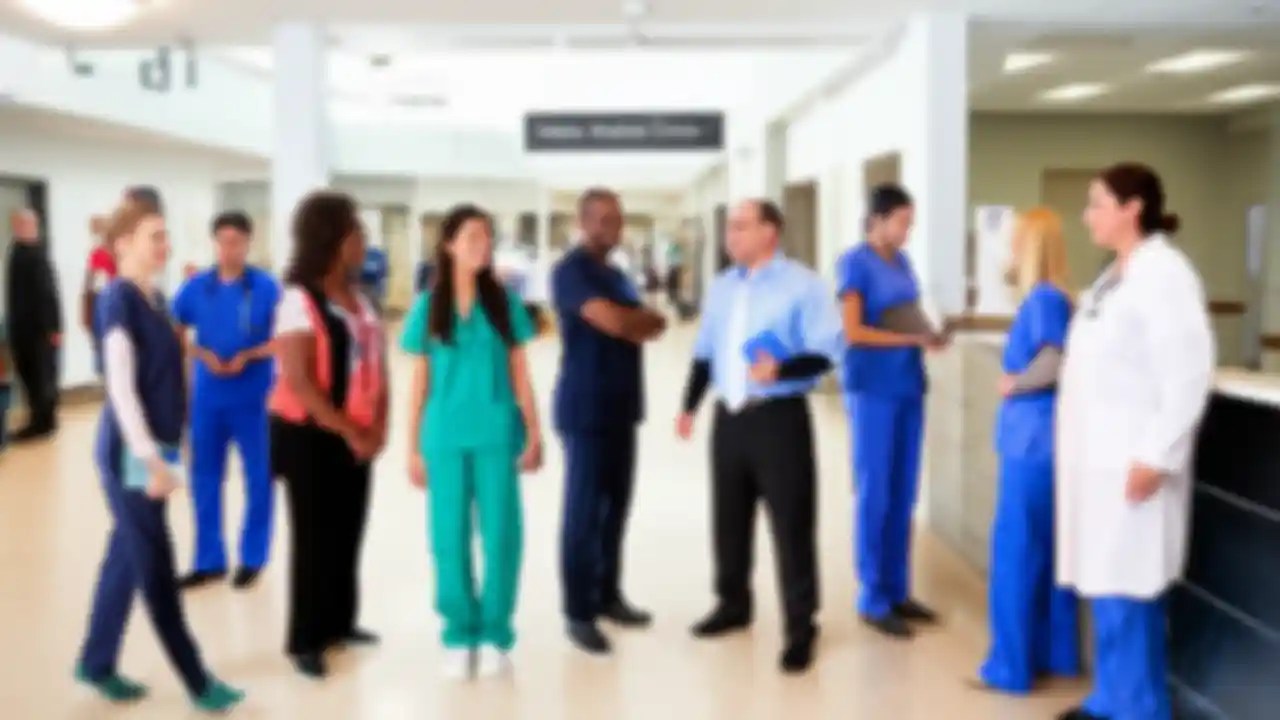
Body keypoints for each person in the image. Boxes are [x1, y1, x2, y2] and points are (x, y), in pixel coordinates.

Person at [1055, 164, 1214, 720]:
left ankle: (1139, 709)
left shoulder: (1165, 274)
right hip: (1099, 464)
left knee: (1130, 592)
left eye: (1097, 203)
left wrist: (1157, 455)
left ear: (1133, 207)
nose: (1087, 215)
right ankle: (1109, 701)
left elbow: (1189, 373)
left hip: (1133, 465)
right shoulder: (1114, 276)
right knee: (1107, 587)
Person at [74, 200, 244, 713]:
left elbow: (166, 381)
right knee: (156, 565)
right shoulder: (118, 302)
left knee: (125, 559)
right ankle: (198, 682)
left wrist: (178, 447)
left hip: (158, 448)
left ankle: (95, 662)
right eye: (155, 236)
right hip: (132, 454)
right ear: (123, 243)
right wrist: (150, 460)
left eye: (166, 236)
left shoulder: (156, 298)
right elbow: (121, 392)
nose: (165, 245)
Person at [676, 199, 841, 674]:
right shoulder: (723, 287)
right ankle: (732, 604)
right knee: (728, 519)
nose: (732, 236)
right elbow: (706, 351)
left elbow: (828, 351)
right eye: (730, 228)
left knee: (790, 524)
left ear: (771, 231)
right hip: (729, 418)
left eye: (742, 227)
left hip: (779, 417)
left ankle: (800, 626)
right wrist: (689, 405)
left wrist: (783, 368)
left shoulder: (804, 285)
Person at [402, 204, 543, 680]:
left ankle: (495, 632)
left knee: (503, 536)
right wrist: (411, 446)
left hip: (497, 433)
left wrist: (535, 431)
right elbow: (418, 380)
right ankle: (460, 634)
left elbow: (521, 373)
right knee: (449, 539)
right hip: (442, 436)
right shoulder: (429, 305)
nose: (481, 244)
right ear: (448, 245)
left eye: (486, 236)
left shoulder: (505, 303)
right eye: (471, 236)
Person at [269, 191, 387, 679]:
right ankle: (305, 638)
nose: (364, 239)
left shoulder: (361, 301)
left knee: (348, 532)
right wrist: (351, 431)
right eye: (356, 229)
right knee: (314, 537)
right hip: (309, 437)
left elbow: (379, 369)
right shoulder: (298, 301)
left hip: (355, 435)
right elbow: (300, 381)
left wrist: (380, 427)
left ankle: (340, 622)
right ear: (333, 239)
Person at [552, 188, 666, 655]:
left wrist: (634, 319)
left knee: (616, 509)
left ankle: (608, 594)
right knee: (583, 514)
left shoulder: (618, 275)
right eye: (601, 219)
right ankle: (579, 612)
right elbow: (621, 325)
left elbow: (655, 324)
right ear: (583, 222)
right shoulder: (570, 271)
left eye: (616, 220)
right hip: (586, 410)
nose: (610, 228)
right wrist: (634, 320)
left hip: (623, 408)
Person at [976, 207, 1081, 694]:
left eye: (1016, 240)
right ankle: (1053, 654)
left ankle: (1011, 667)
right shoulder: (1059, 297)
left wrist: (1015, 383)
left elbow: (1054, 359)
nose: (1009, 249)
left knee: (1017, 554)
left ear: (1031, 245)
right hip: (1047, 442)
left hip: (1031, 444)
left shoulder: (1041, 299)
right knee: (1043, 552)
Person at [837, 184, 946, 639]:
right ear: (877, 219)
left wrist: (930, 335)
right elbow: (854, 331)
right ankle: (872, 597)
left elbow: (908, 315)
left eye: (910, 223)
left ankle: (898, 589)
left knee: (904, 492)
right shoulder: (854, 263)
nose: (907, 231)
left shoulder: (903, 263)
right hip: (872, 390)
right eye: (902, 222)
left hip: (907, 387)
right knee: (876, 491)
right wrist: (909, 340)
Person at [173, 212, 281, 590]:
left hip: (254, 400)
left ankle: (253, 556)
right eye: (222, 241)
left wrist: (249, 356)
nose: (228, 248)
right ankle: (209, 560)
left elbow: (285, 339)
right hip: (208, 399)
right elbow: (176, 328)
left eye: (236, 241)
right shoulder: (197, 287)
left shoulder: (267, 288)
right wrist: (200, 355)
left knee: (259, 477)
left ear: (248, 243)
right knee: (204, 478)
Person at [4, 208, 62, 442]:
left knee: (41, 376)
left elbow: (49, 295)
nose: (21, 229)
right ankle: (39, 420)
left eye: (26, 225)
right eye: (18, 225)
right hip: (21, 327)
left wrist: (54, 328)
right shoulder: (16, 252)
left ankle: (43, 424)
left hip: (39, 331)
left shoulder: (37, 255)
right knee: (28, 374)